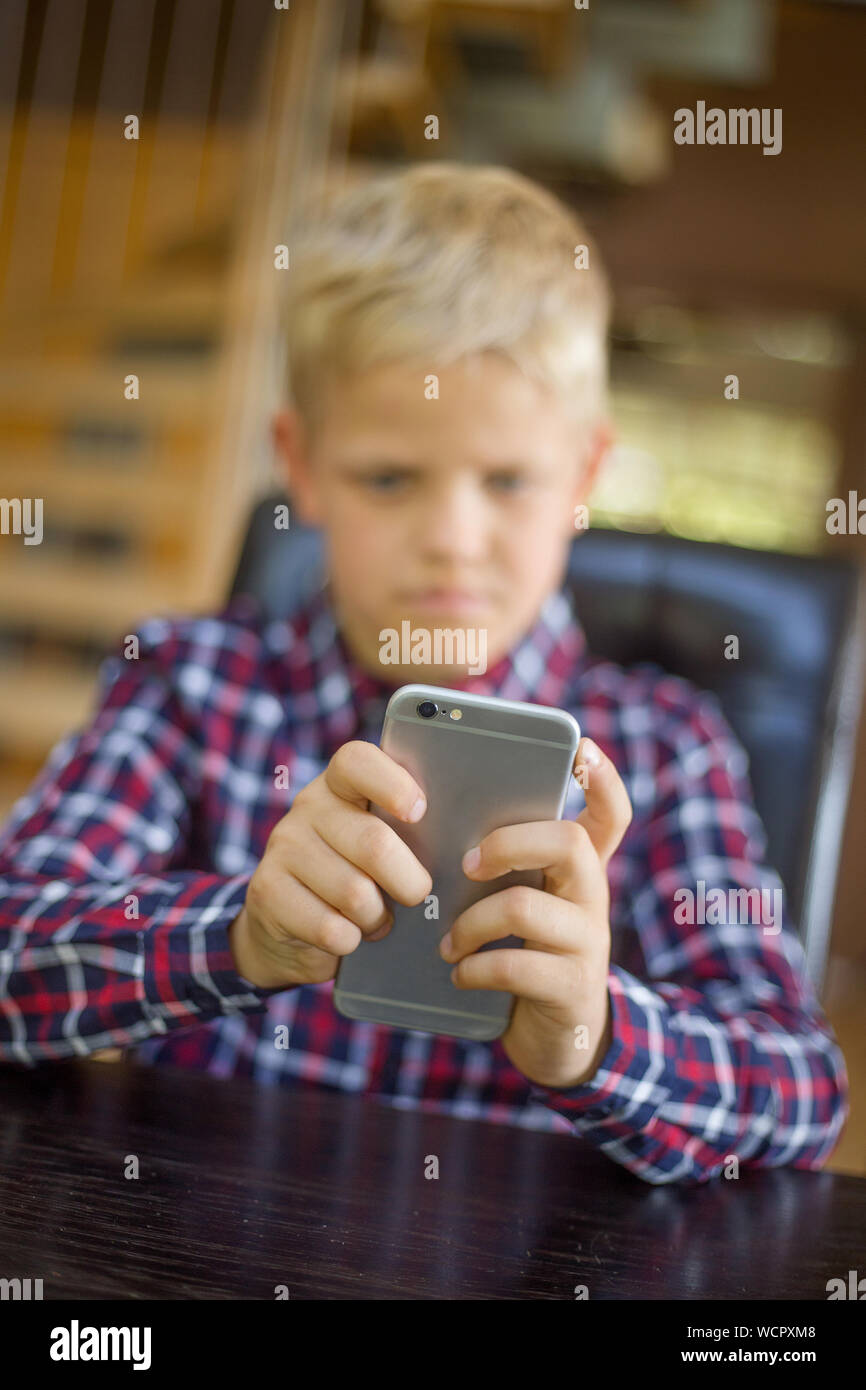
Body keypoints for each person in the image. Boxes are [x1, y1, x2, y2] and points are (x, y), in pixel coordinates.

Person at [0, 163, 848, 1184]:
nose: (451, 539)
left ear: (582, 476)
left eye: (506, 479)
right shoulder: (190, 685)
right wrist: (239, 933)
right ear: (300, 465)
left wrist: (596, 1036)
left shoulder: (667, 749)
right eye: (389, 476)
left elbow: (801, 1091)